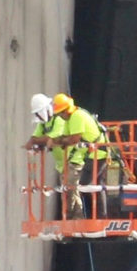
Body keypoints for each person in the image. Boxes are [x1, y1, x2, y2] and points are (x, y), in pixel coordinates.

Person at [45, 92, 106, 220]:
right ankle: (93, 216)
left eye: (60, 113)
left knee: (86, 184)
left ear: (66, 110)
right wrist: (55, 141)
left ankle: (97, 216)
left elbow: (73, 139)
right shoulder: (69, 119)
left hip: (98, 154)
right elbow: (66, 137)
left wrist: (56, 142)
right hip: (90, 154)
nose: (60, 116)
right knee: (89, 185)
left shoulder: (76, 117)